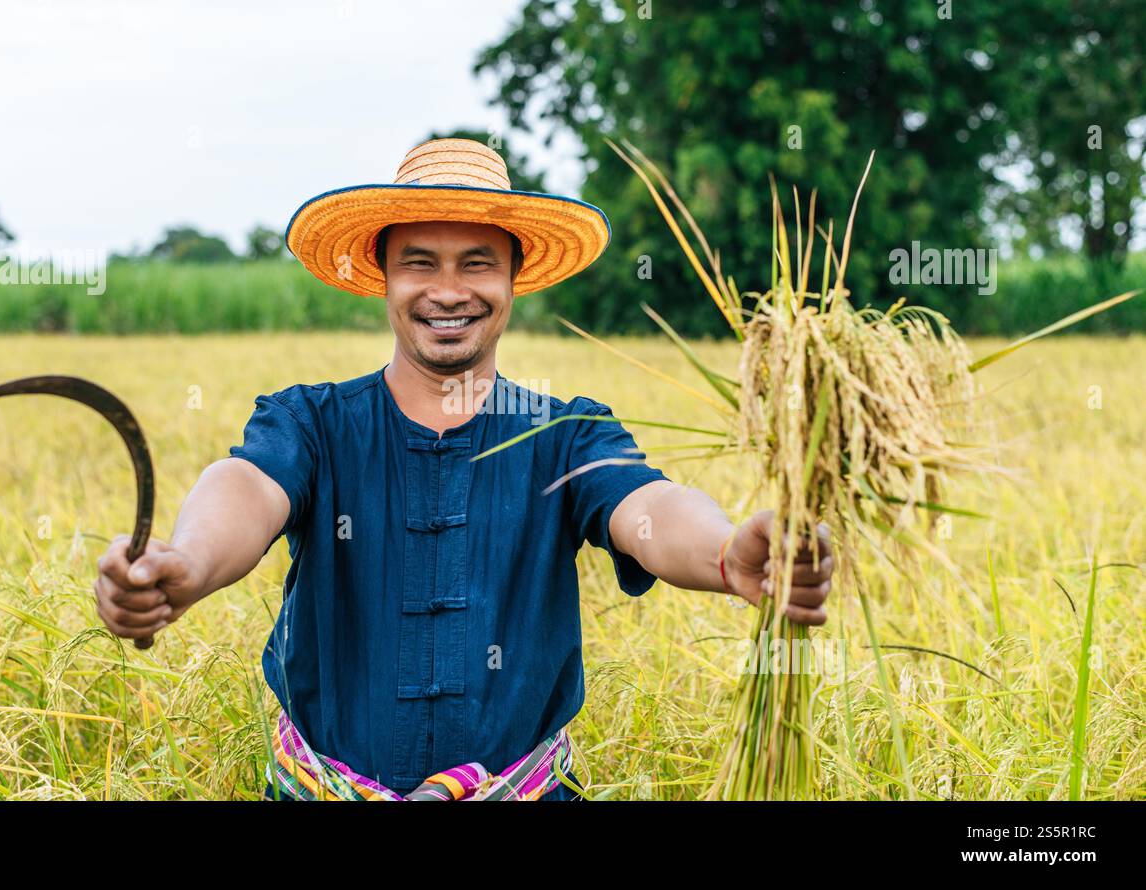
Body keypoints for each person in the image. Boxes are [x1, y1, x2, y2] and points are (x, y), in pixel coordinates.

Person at [92, 138, 833, 801]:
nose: (448, 290)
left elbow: (647, 508)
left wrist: (727, 553)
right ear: (384, 276)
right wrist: (186, 562)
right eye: (420, 262)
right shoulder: (314, 422)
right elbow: (247, 487)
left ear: (514, 279)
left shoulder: (563, 433)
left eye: (477, 263)